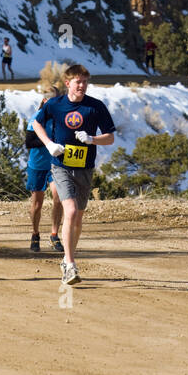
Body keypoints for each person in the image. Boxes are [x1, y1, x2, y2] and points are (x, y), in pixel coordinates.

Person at [32, 64, 114, 286]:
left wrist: (92, 139)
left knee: (78, 216)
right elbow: (36, 123)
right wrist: (49, 145)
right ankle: (69, 263)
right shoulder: (55, 104)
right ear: (68, 83)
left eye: (85, 81)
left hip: (85, 168)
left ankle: (68, 258)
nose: (82, 85)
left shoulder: (95, 107)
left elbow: (110, 137)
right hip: (61, 166)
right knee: (70, 210)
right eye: (78, 81)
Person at [25, 110, 63, 255]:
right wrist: (49, 142)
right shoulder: (36, 118)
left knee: (58, 198)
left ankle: (54, 235)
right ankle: (35, 234)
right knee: (37, 204)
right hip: (38, 165)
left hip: (55, 164)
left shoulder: (60, 116)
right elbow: (29, 142)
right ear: (45, 101)